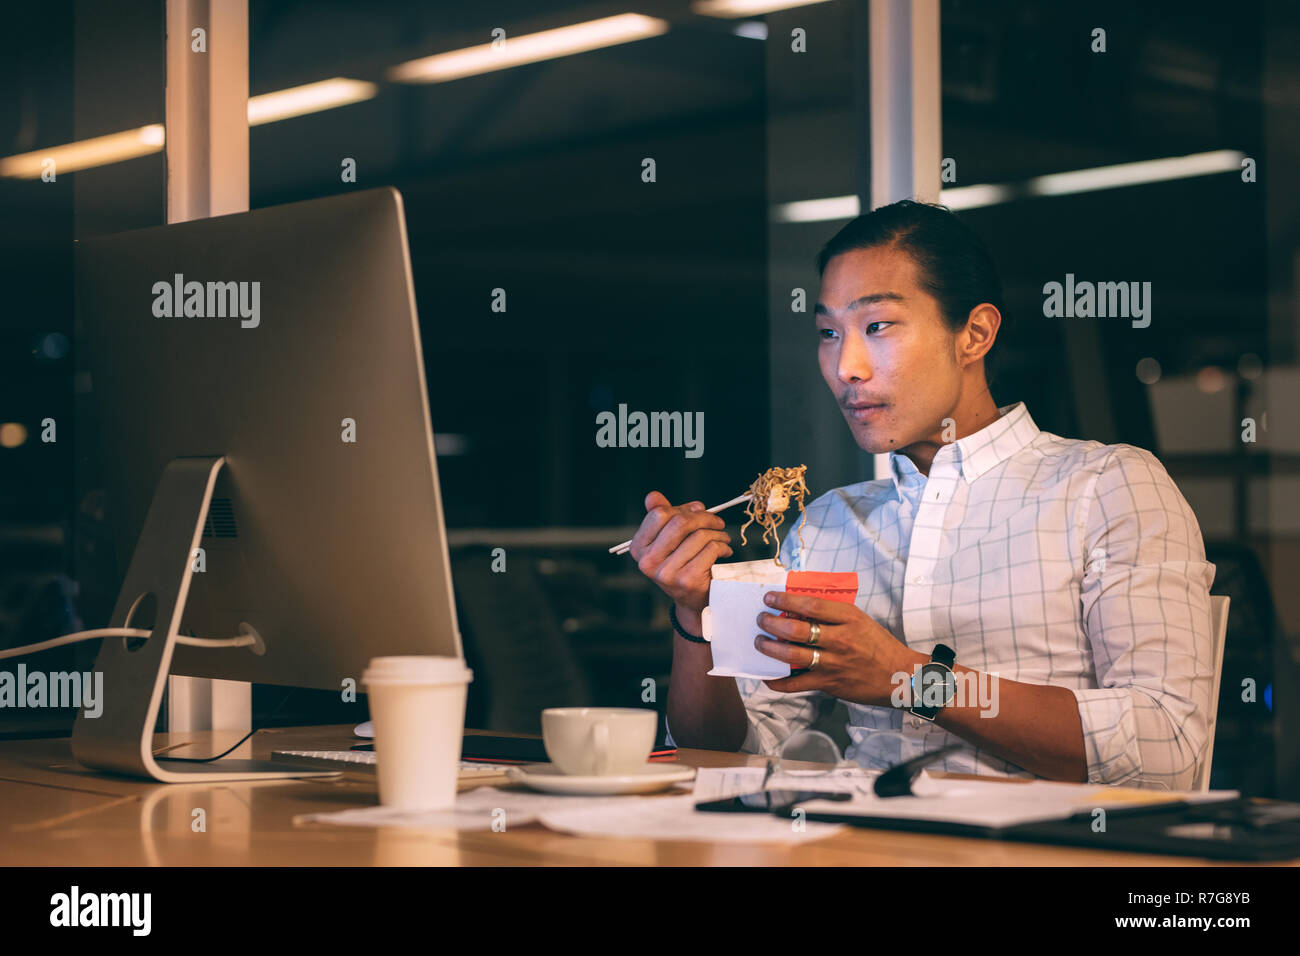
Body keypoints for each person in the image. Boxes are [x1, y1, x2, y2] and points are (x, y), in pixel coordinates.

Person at [628, 199, 1216, 789]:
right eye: (829, 333)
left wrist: (907, 678)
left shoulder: (1106, 486)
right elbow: (726, 751)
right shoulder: (829, 523)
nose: (846, 367)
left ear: (975, 334)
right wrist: (694, 612)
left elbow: (1167, 745)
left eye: (876, 326)